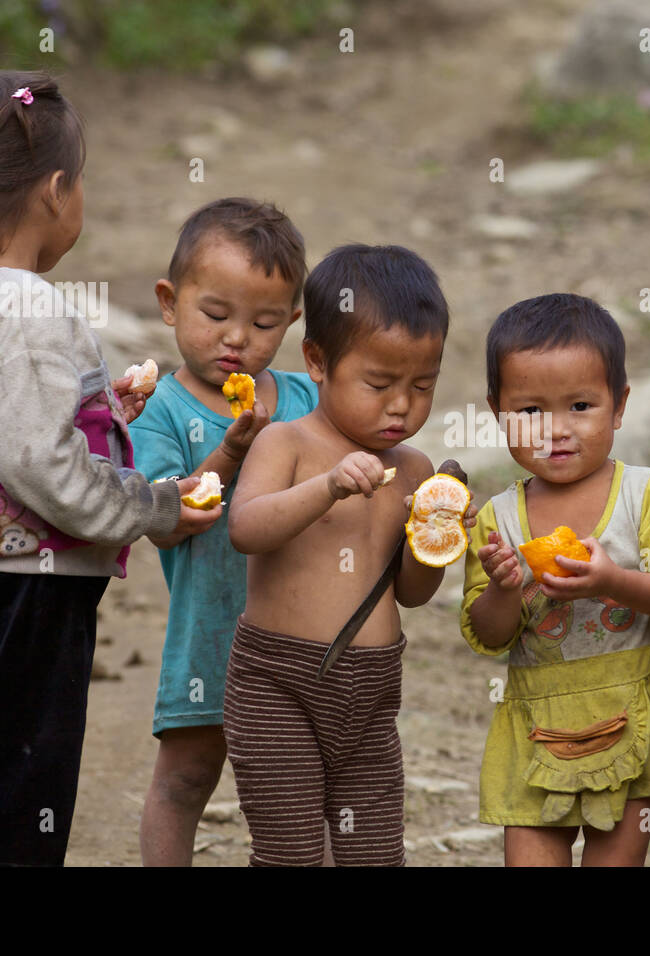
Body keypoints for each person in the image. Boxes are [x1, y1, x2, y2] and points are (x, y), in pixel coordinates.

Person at [0, 70, 218, 867]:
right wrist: (154, 506)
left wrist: (99, 413)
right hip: (30, 595)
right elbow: (39, 464)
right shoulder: (30, 307)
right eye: (84, 186)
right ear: (54, 190)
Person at [223, 243, 468, 866]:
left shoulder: (411, 468)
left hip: (373, 691)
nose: (401, 405)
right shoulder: (289, 443)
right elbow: (246, 528)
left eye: (422, 386)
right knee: (292, 853)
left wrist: (435, 536)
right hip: (278, 685)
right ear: (317, 361)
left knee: (377, 854)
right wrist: (326, 486)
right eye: (379, 383)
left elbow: (411, 592)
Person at [461, 293, 650, 867]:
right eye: (529, 412)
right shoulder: (496, 520)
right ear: (497, 410)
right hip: (536, 731)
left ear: (619, 405)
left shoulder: (648, 495)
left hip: (635, 720)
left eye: (580, 405)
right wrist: (504, 588)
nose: (556, 431)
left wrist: (614, 581)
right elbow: (488, 634)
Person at [130, 197, 317, 866]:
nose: (237, 339)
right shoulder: (159, 412)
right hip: (210, 635)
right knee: (183, 781)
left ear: (292, 323)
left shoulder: (305, 402)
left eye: (264, 323)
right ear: (170, 302)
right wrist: (233, 451)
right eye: (215, 315)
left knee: (301, 792)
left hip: (299, 640)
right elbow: (167, 524)